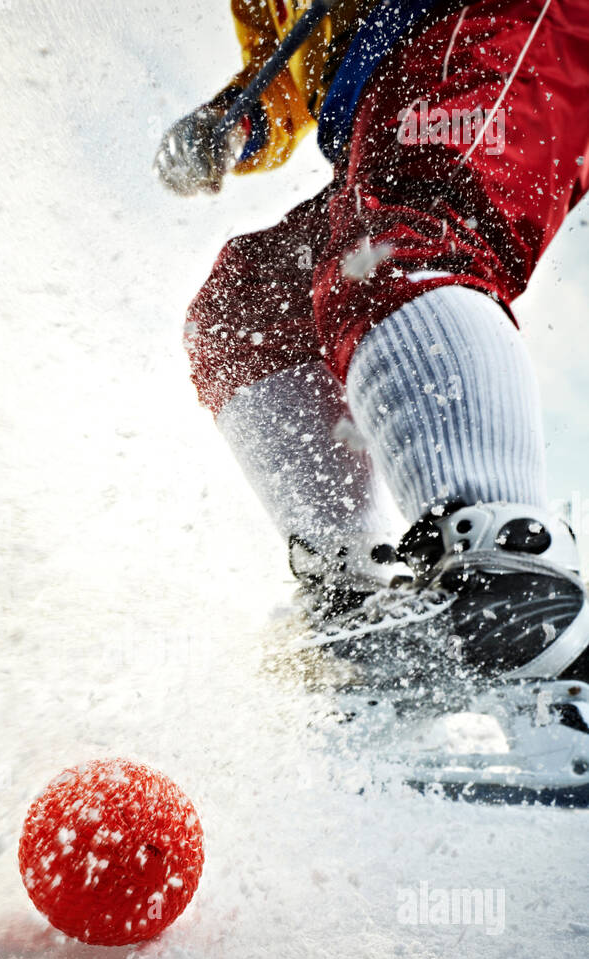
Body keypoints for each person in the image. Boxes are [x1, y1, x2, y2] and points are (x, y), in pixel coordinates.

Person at [155, 0, 589, 681]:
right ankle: (359, 608)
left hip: (494, 25)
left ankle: (515, 594)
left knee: (397, 246)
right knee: (247, 309)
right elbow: (288, 79)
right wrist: (235, 122)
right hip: (383, 92)